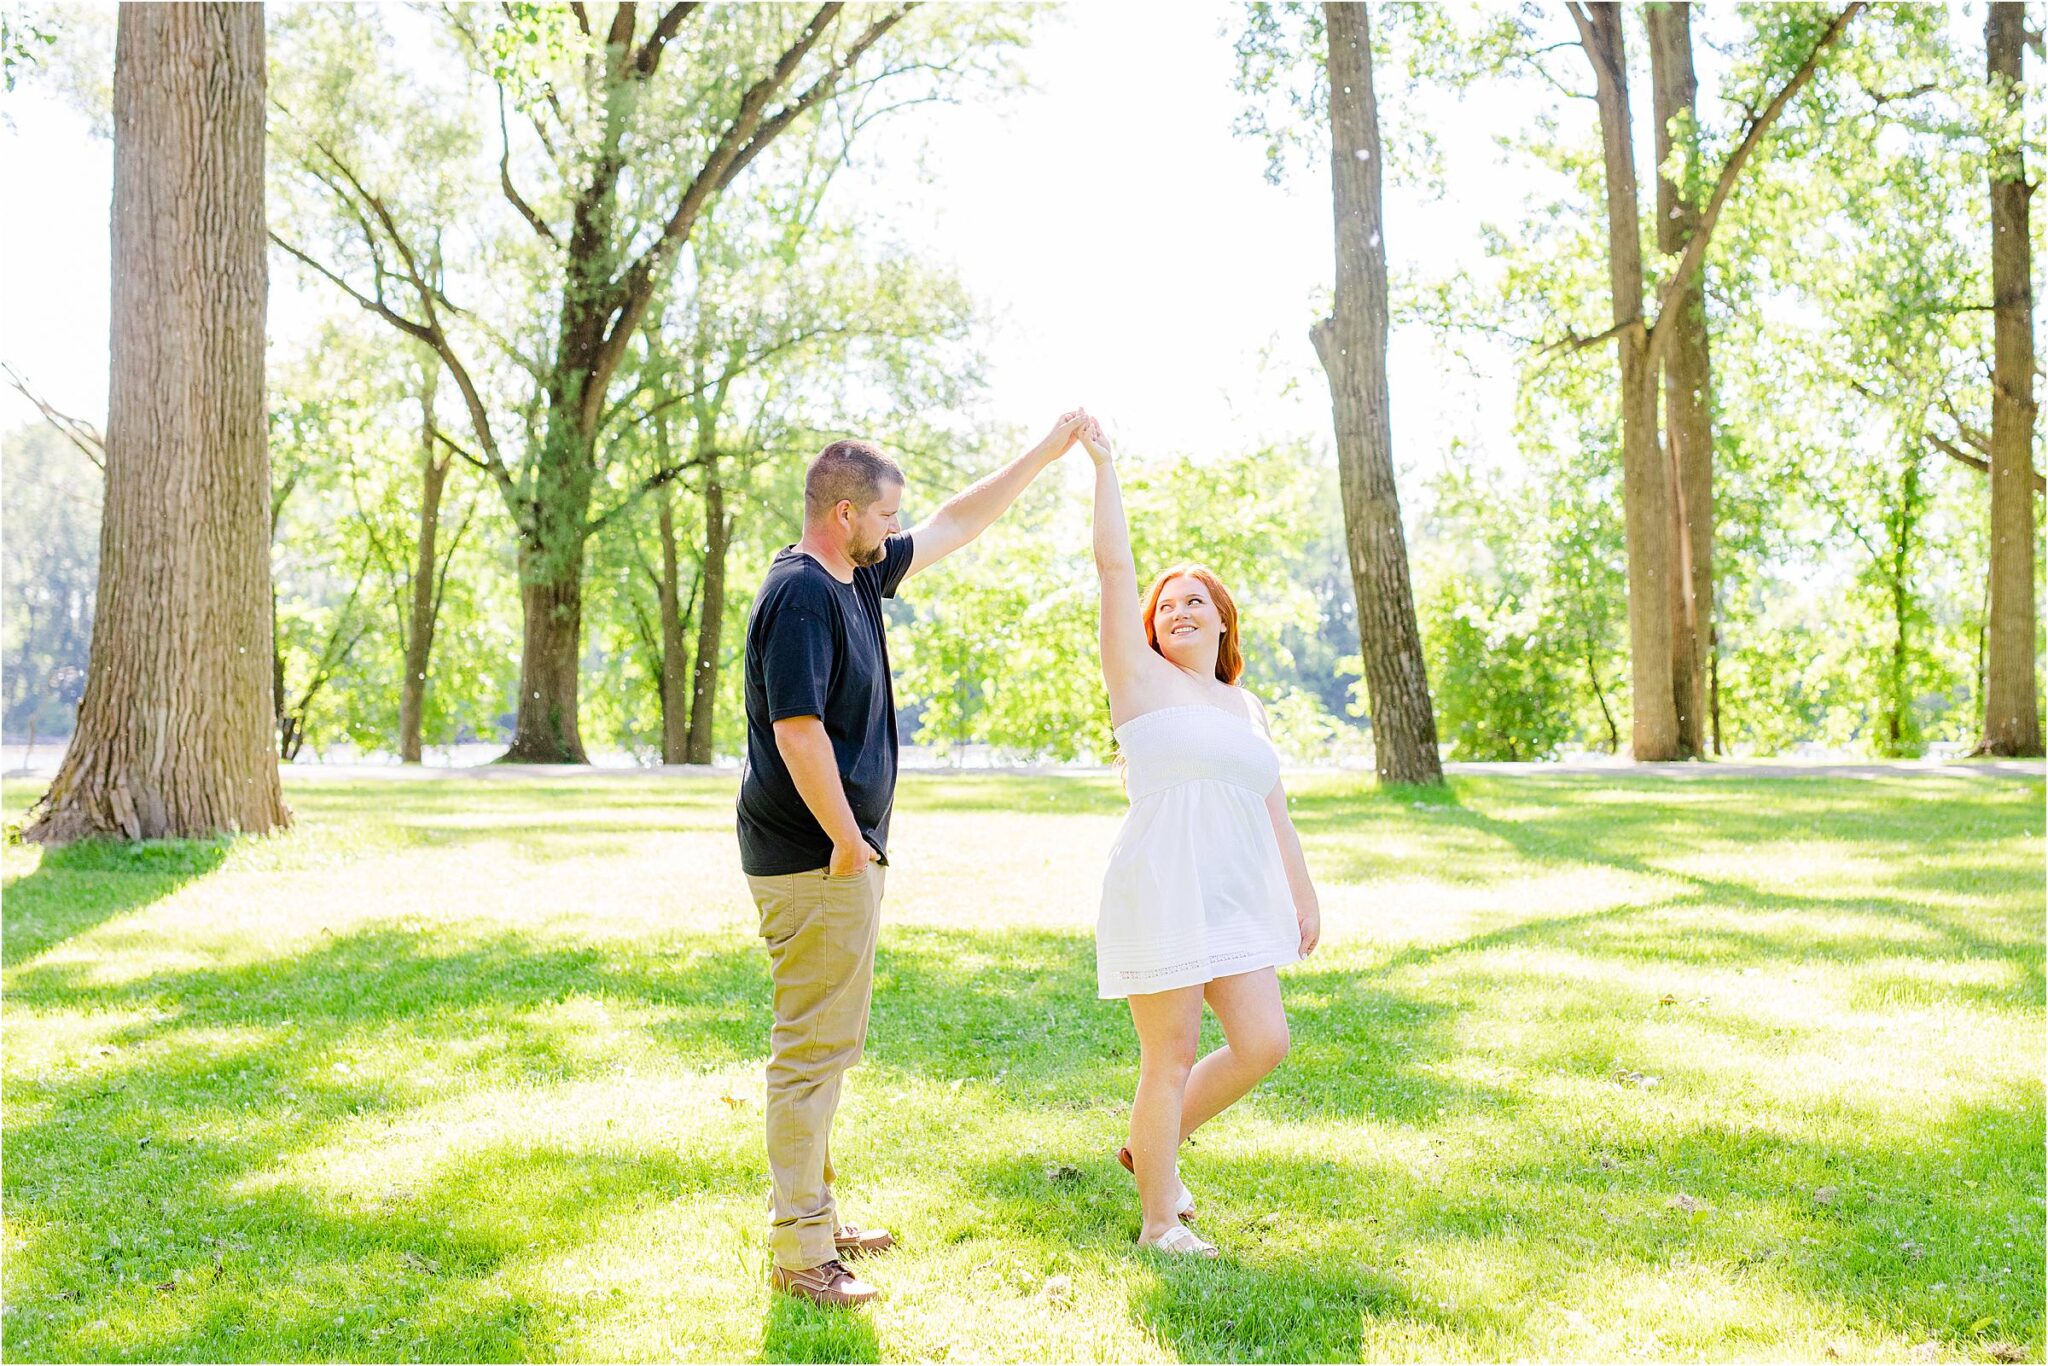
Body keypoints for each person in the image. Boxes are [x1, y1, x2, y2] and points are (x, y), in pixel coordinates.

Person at [739, 415, 1088, 1307]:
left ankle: (813, 1215)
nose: (899, 531)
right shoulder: (804, 596)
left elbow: (957, 525)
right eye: (887, 517)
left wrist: (1044, 453)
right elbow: (797, 729)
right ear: (844, 511)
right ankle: (800, 1252)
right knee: (812, 1054)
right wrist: (849, 841)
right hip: (817, 857)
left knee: (830, 1045)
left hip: (836, 855)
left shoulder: (853, 572)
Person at [1079, 414, 1322, 1258]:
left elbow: (1273, 807)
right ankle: (1158, 1222)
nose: (1177, 609)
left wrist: (1303, 894)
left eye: (1194, 601)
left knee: (1263, 1043)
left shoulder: (1244, 706)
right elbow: (1115, 568)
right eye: (1166, 604)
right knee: (1171, 1055)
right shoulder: (1138, 679)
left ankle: (1151, 1146)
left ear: (1222, 621)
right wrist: (1104, 466)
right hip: (1163, 888)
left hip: (1233, 895)